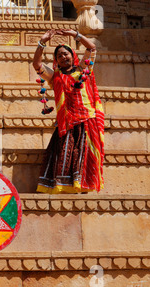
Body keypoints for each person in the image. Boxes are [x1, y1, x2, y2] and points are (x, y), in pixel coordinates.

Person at [32, 29, 105, 194]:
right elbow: (37, 65)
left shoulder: (84, 69)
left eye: (66, 54)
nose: (63, 57)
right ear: (56, 61)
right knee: (65, 153)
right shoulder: (55, 76)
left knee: (85, 154)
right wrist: (41, 42)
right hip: (66, 121)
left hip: (87, 118)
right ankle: (65, 185)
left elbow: (92, 48)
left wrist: (75, 35)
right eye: (59, 56)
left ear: (72, 55)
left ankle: (84, 185)